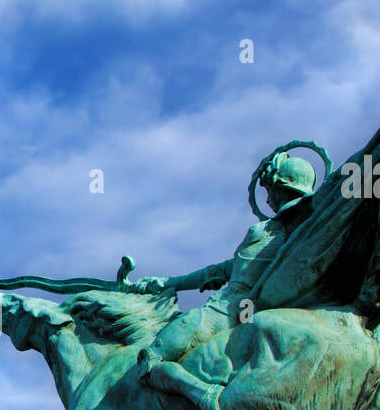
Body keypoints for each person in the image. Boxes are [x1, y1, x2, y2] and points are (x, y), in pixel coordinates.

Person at [135, 151, 319, 394]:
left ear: (280, 185)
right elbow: (221, 271)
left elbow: (223, 271)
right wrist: (167, 282)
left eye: (268, 191)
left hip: (226, 311)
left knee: (151, 357)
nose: (266, 202)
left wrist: (168, 283)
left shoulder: (262, 232)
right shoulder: (309, 233)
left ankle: (205, 400)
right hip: (270, 309)